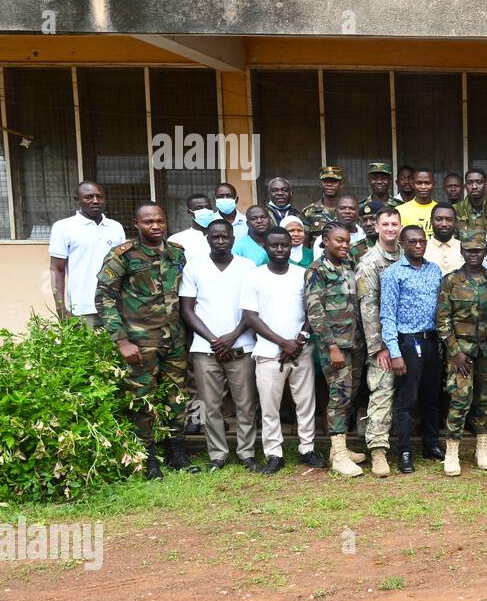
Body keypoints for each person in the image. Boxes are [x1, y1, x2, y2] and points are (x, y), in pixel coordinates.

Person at [96, 202, 194, 479]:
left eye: (160, 221)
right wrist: (121, 341)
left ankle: (177, 453)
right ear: (135, 224)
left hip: (174, 339)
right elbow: (104, 298)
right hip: (139, 341)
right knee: (141, 398)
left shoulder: (177, 253)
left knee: (178, 396)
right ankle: (148, 459)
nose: (155, 226)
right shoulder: (123, 255)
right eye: (149, 221)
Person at [241, 227, 325, 474]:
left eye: (284, 245)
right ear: (266, 248)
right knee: (269, 406)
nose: (280, 249)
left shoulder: (303, 274)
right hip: (269, 352)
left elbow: (313, 310)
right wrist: (282, 342)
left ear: (291, 247)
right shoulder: (254, 277)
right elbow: (250, 317)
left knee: (306, 402)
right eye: (274, 245)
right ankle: (274, 453)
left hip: (302, 349)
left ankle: (307, 448)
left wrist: (299, 339)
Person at [180, 218, 259, 471]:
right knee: (209, 405)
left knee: (245, 404)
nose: (220, 240)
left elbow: (253, 308)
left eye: (225, 236)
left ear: (233, 239)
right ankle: (217, 454)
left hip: (241, 346)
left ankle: (246, 452)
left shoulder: (248, 266)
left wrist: (233, 335)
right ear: (208, 239)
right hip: (205, 349)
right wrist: (214, 339)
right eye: (215, 237)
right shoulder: (194, 267)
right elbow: (187, 309)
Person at [381, 225, 446, 475]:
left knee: (432, 398)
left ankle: (431, 444)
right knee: (406, 400)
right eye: (412, 242)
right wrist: (395, 352)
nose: (418, 246)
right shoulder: (393, 274)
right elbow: (387, 315)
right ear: (402, 244)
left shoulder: (434, 270)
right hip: (408, 342)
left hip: (432, 341)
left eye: (421, 241)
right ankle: (405, 451)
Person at [306, 222, 368, 477]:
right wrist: (331, 346)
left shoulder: (349, 265)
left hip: (355, 343)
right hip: (335, 346)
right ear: (325, 241)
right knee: (338, 397)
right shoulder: (317, 270)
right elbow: (315, 311)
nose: (344, 245)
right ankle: (339, 454)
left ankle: (339, 449)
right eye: (338, 240)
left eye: (346, 241)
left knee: (349, 394)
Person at [436, 232, 487, 475]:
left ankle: (482, 447)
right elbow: (442, 319)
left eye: (478, 251)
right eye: (469, 251)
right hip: (461, 352)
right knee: (460, 399)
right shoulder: (451, 280)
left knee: (484, 399)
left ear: (485, 253)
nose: (474, 255)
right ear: (461, 252)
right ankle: (452, 452)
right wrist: (454, 352)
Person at [355, 206, 404, 477]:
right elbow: (368, 307)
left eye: (394, 224)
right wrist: (380, 347)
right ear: (376, 226)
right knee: (382, 392)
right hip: (382, 343)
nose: (390, 229)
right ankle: (378, 451)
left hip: (406, 338)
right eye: (385, 224)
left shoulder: (406, 254)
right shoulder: (369, 261)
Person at [49, 180, 126, 328]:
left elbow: (122, 266)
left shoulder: (116, 227)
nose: (95, 201)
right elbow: (56, 270)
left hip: (114, 306)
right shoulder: (64, 227)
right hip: (81, 308)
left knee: (117, 350)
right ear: (77, 200)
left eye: (99, 196)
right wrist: (60, 308)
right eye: (89, 197)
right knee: (84, 350)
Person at [301, 166, 346, 246]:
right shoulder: (309, 212)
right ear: (320, 184)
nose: (329, 184)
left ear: (341, 184)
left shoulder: (349, 211)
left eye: (333, 181)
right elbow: (305, 244)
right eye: (325, 181)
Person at [168, 192, 218, 263]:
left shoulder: (222, 237)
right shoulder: (176, 240)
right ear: (189, 211)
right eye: (199, 208)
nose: (205, 210)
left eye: (208, 207)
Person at [427, 203, 466, 275]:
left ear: (456, 222)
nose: (444, 224)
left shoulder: (465, 247)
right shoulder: (422, 248)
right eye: (439, 219)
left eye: (449, 220)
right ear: (431, 221)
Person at [397, 169, 438, 237]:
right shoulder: (400, 211)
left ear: (434, 184)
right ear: (412, 184)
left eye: (427, 183)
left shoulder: (440, 210)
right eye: (419, 183)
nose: (423, 187)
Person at [454, 169, 487, 238]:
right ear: (465, 186)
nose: (474, 186)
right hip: (464, 248)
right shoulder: (456, 209)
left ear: (485, 185)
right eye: (470, 182)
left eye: (479, 182)